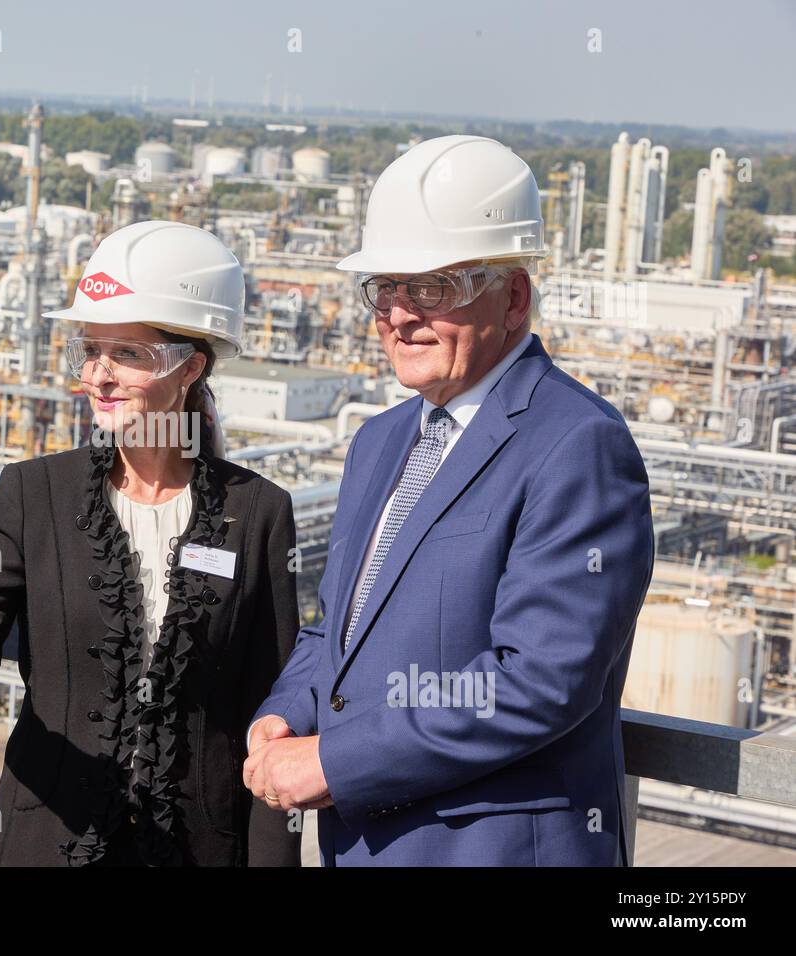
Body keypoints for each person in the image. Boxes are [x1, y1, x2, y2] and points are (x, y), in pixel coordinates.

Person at [244, 135, 654, 866]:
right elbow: (338, 627)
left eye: (430, 288)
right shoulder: (380, 441)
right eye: (386, 289)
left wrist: (335, 762)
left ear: (515, 297)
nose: (400, 315)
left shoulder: (576, 444)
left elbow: (539, 680)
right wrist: (286, 712)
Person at [0, 220, 301, 866]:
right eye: (91, 351)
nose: (98, 375)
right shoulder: (34, 494)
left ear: (190, 367)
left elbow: (275, 714)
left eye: (126, 355)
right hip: (42, 846)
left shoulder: (259, 513)